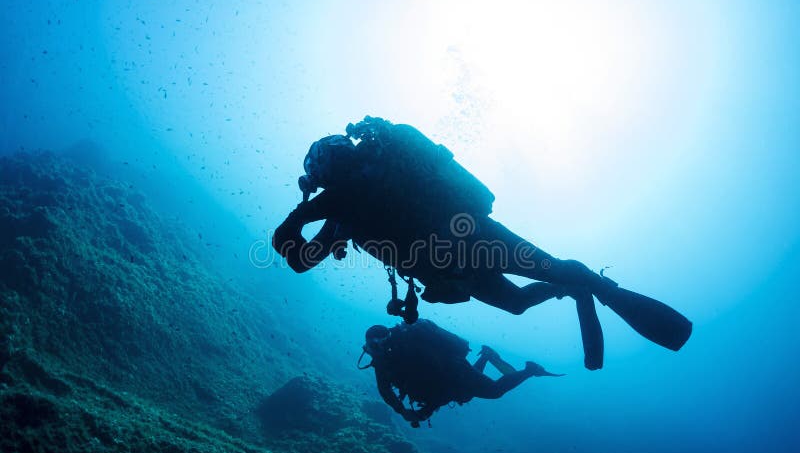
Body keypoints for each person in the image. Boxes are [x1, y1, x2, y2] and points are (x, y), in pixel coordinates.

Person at [273, 117, 692, 369]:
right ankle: (580, 285)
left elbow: (297, 258)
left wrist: (299, 212)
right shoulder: (364, 184)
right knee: (529, 293)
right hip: (466, 246)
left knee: (531, 291)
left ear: (322, 172)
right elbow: (302, 259)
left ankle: (582, 284)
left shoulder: (341, 205)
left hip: (460, 256)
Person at [359, 320, 563, 427]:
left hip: (455, 371)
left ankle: (530, 369)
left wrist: (425, 411)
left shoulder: (412, 351)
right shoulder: (382, 361)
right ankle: (486, 355)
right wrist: (401, 410)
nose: (374, 351)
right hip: (447, 383)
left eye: (377, 346)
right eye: (370, 347)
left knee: (494, 391)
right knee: (467, 394)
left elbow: (441, 384)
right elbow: (384, 390)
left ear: (387, 341)